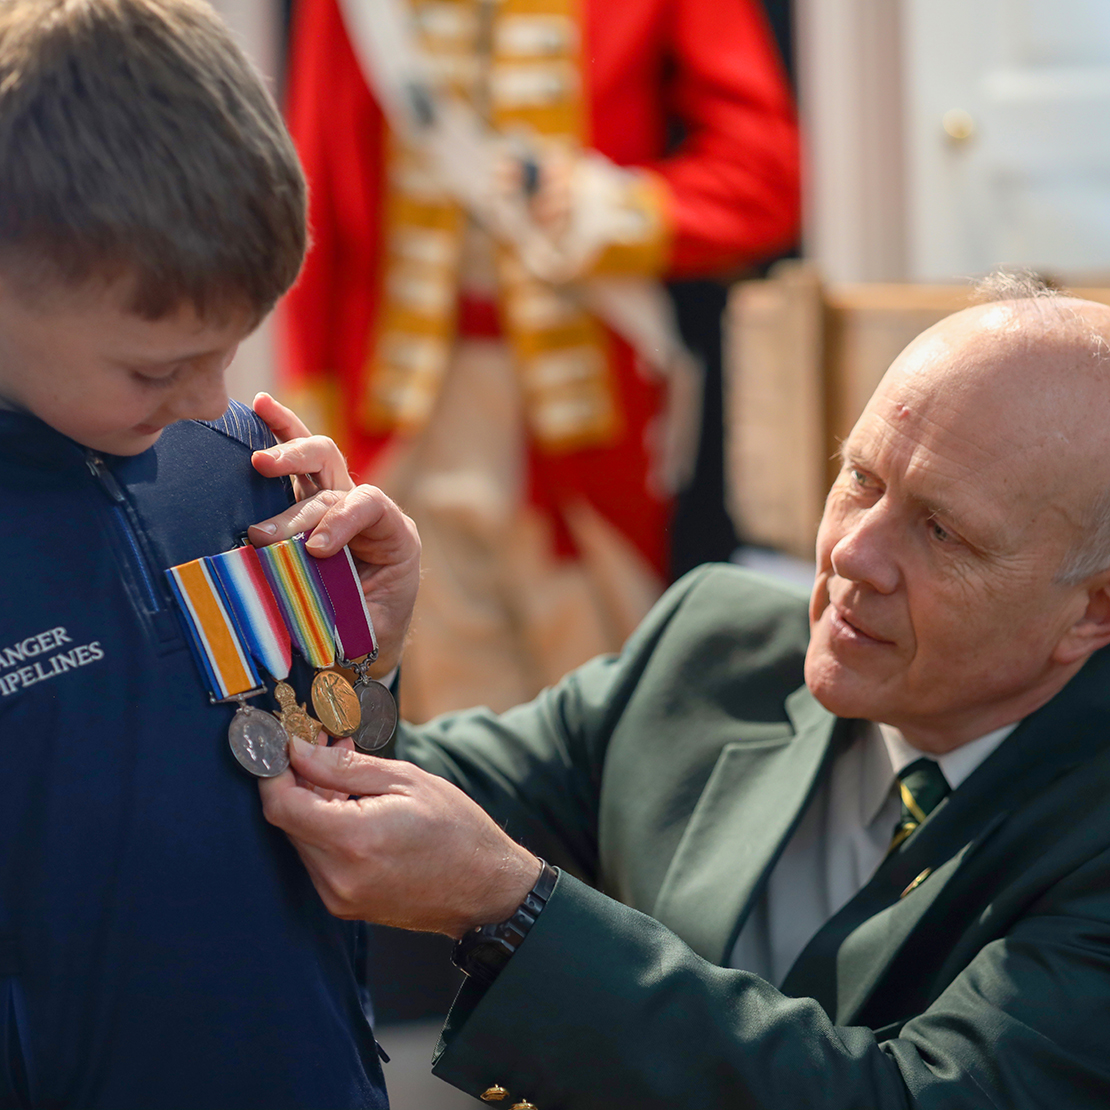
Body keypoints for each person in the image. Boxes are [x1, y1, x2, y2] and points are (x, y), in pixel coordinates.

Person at [259, 278, 1110, 1108]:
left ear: (1093, 610)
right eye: (860, 479)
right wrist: (342, 657)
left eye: (940, 530)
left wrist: (514, 909)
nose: (852, 553)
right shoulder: (721, 642)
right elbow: (419, 797)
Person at [0, 1, 417, 1104]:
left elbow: (311, 775)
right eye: (157, 369)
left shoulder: (246, 467)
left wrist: (371, 658)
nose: (212, 402)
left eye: (234, 348)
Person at [280, 0, 801, 720]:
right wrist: (313, 403)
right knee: (442, 718)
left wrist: (616, 211)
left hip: (588, 426)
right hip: (406, 418)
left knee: (603, 715)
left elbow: (764, 174)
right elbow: (316, 184)